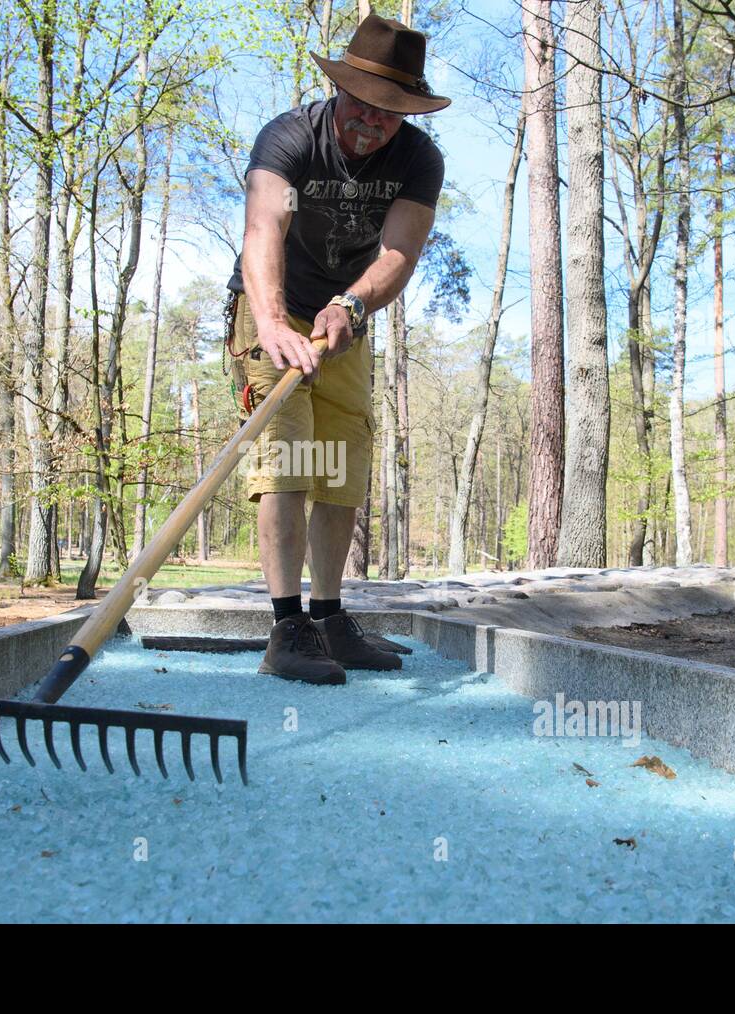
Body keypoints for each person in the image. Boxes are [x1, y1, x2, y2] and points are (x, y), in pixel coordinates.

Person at [225, 14, 450, 684]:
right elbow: (265, 224)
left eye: (388, 114)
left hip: (345, 315)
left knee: (344, 463)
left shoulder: (418, 158)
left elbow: (399, 251)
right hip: (271, 306)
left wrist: (351, 305)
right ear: (339, 91)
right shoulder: (291, 137)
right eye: (361, 106)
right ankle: (286, 628)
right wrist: (270, 321)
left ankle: (328, 618)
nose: (370, 124)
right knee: (291, 457)